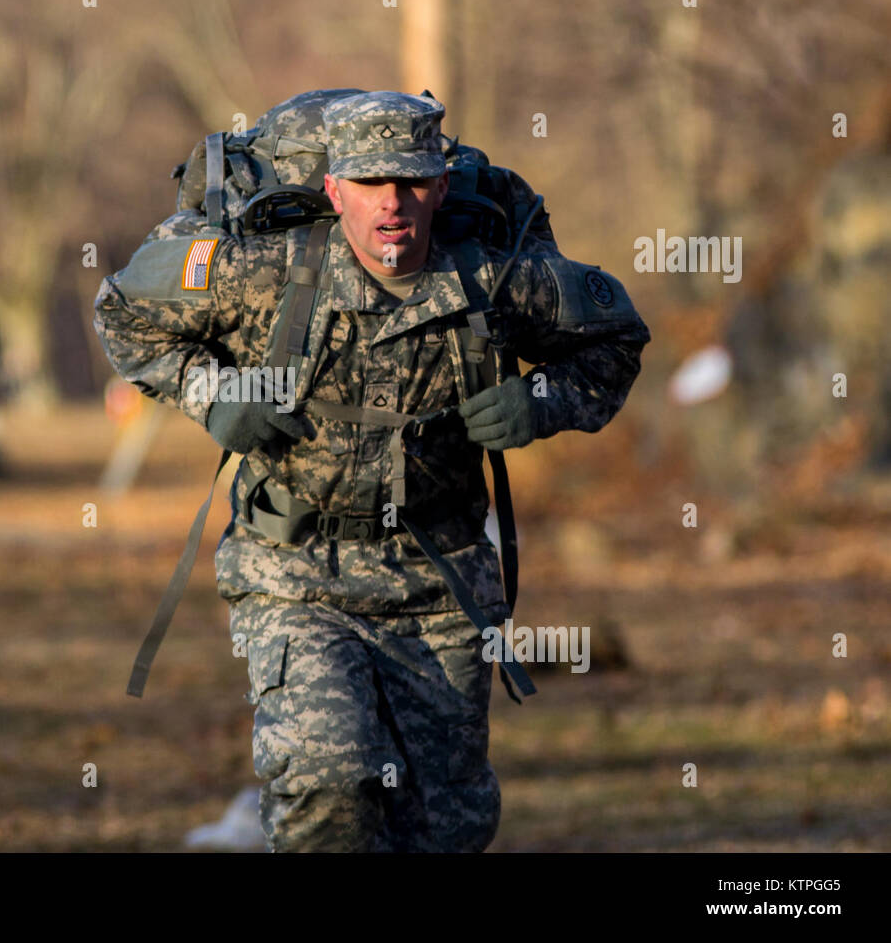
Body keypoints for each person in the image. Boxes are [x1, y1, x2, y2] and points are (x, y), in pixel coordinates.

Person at [93, 90, 651, 852]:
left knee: (442, 827)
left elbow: (616, 337)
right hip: (295, 572)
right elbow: (122, 309)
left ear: (441, 186)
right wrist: (211, 392)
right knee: (329, 782)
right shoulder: (260, 270)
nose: (392, 204)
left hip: (440, 579)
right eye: (369, 183)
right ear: (334, 189)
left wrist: (543, 400)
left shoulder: (496, 278)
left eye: (412, 183)